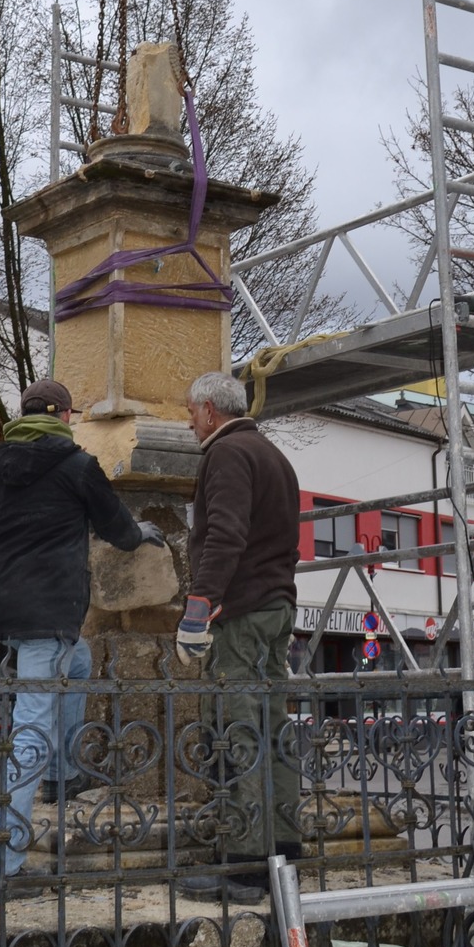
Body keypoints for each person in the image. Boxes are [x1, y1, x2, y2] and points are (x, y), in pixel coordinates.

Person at [0, 377, 164, 897]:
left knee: (76, 664)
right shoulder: (77, 465)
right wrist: (143, 532)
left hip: (3, 607)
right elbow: (121, 532)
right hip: (47, 610)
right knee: (32, 729)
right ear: (61, 414)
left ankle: (62, 773)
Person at [177, 371, 302, 904]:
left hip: (241, 612)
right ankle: (284, 848)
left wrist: (198, 607)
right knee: (274, 727)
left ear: (209, 410)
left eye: (190, 412)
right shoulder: (273, 454)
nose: (188, 422)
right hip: (276, 606)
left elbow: (225, 533)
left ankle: (247, 865)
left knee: (237, 728)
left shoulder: (226, 455)